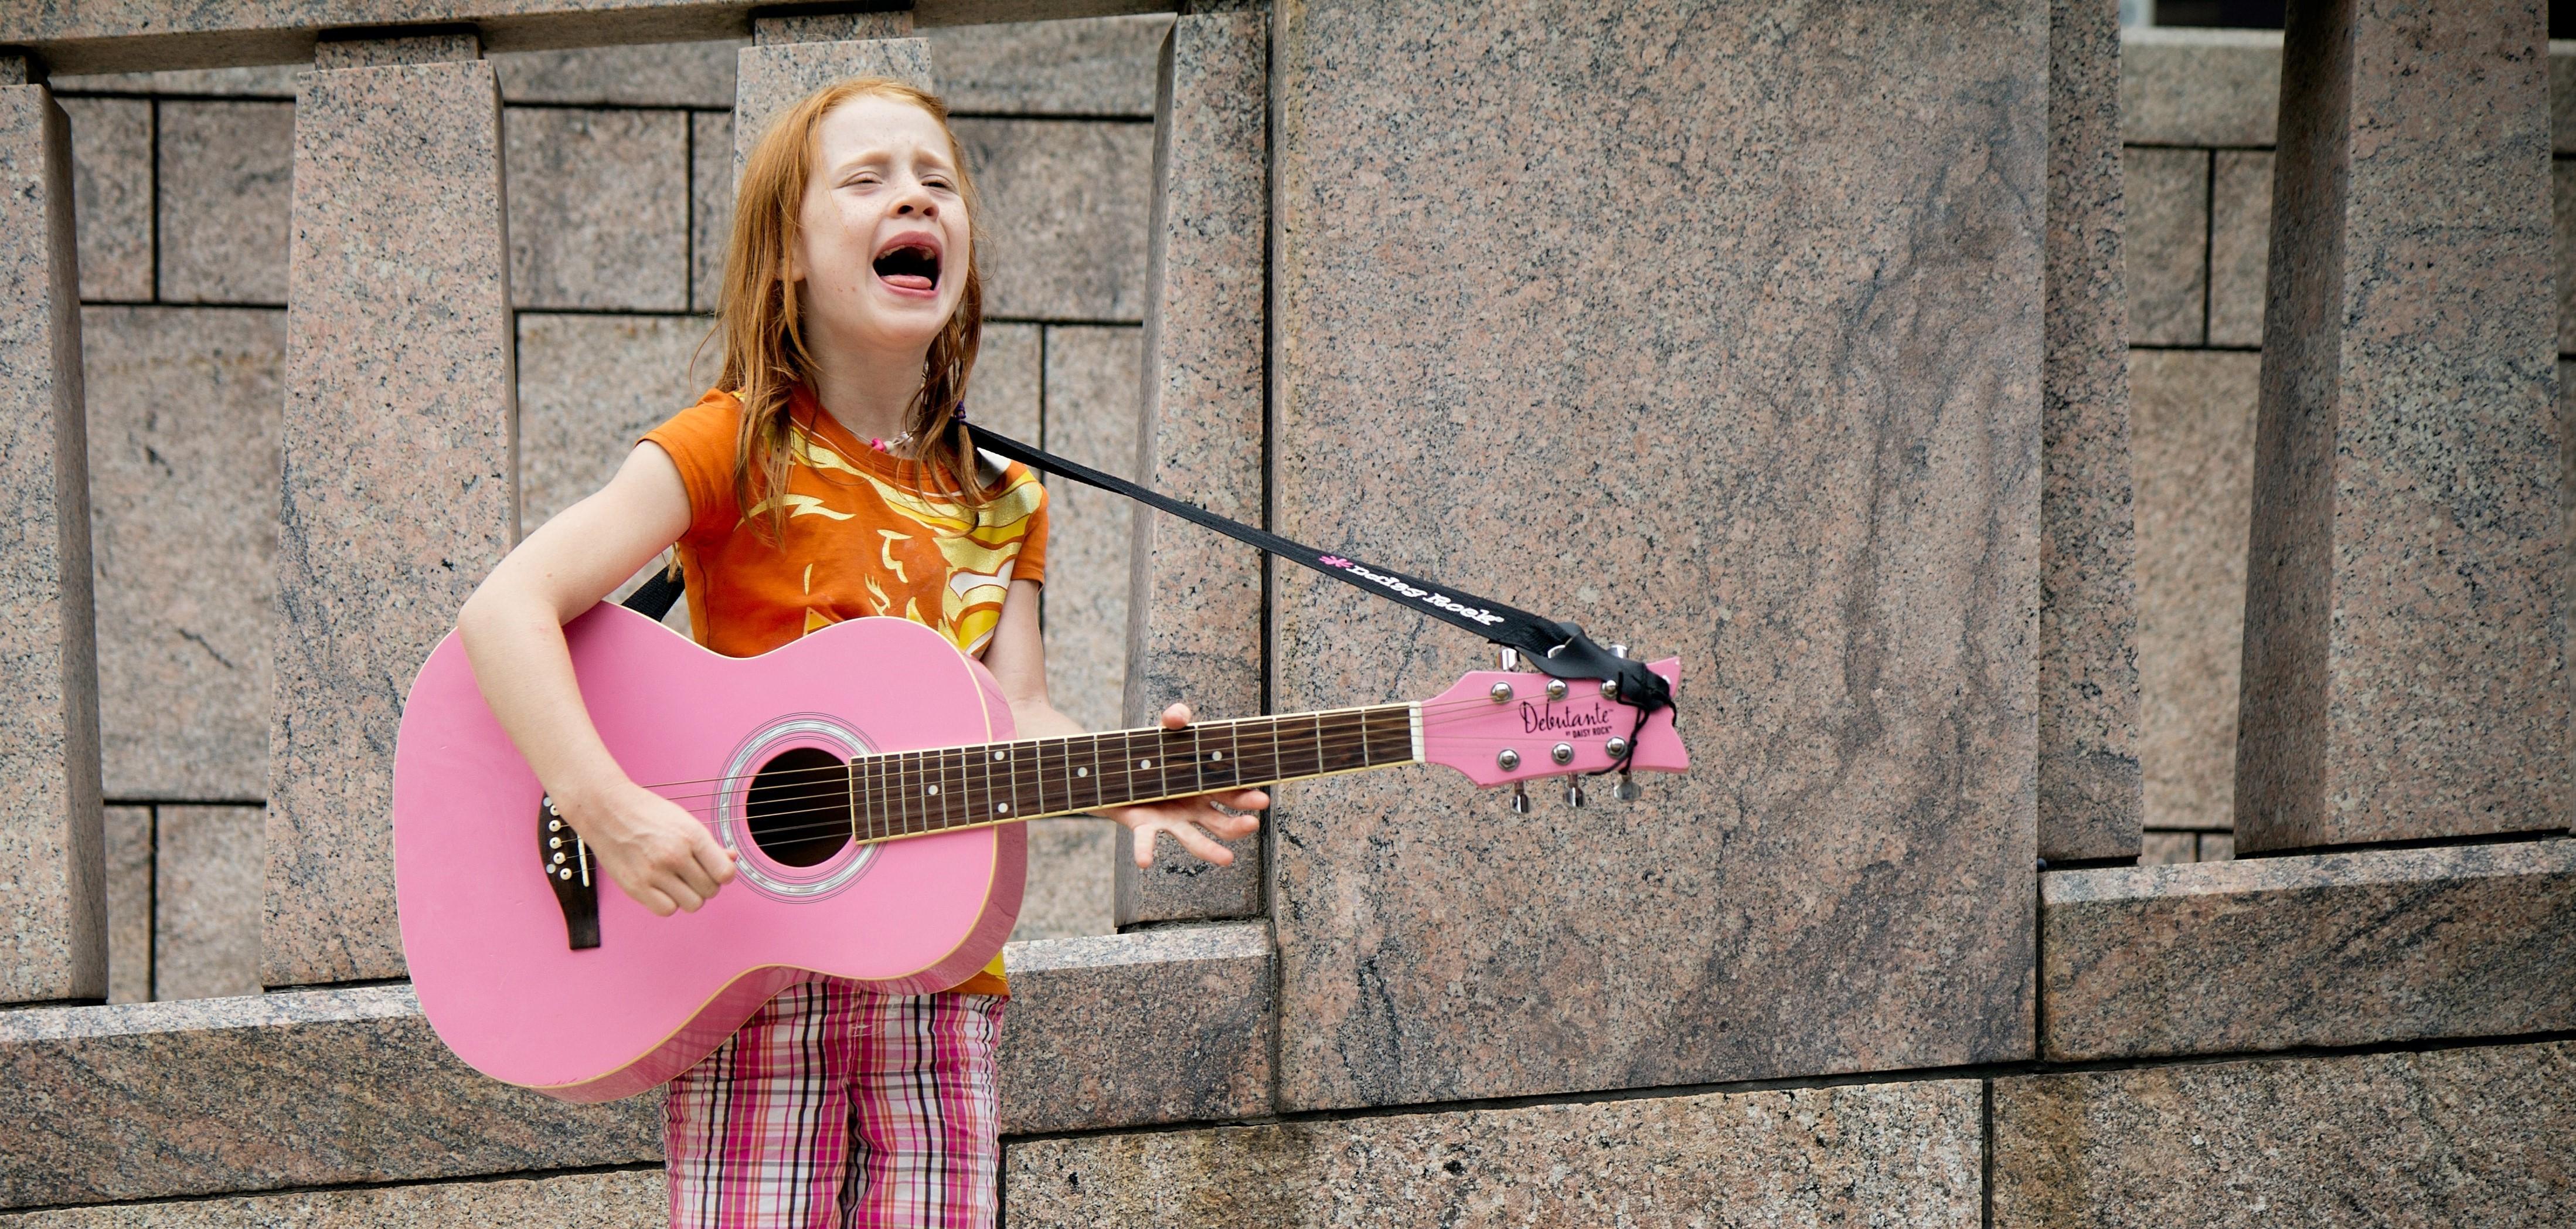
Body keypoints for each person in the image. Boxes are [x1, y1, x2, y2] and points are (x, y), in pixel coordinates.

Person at [455, 76, 1265, 1228]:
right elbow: (505, 609)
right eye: (868, 179)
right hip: (752, 974)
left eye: (939, 182)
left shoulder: (1003, 497)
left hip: (941, 978)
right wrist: (608, 807)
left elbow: (1018, 712)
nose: (915, 199)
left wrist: (1125, 780)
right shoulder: (731, 446)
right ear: (787, 251)